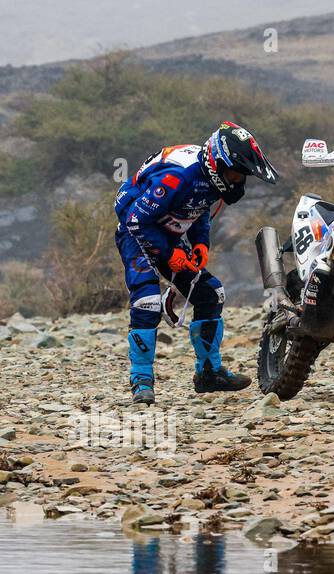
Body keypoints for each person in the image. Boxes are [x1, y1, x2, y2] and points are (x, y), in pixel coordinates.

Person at [113, 121, 280, 404]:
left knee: (211, 293)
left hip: (169, 233)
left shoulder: (212, 179)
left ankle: (208, 374)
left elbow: (199, 209)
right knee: (148, 301)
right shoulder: (177, 177)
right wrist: (168, 255)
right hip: (137, 232)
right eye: (235, 174)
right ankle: (141, 380)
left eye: (242, 176)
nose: (238, 180)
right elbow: (135, 219)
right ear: (218, 164)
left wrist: (201, 243)